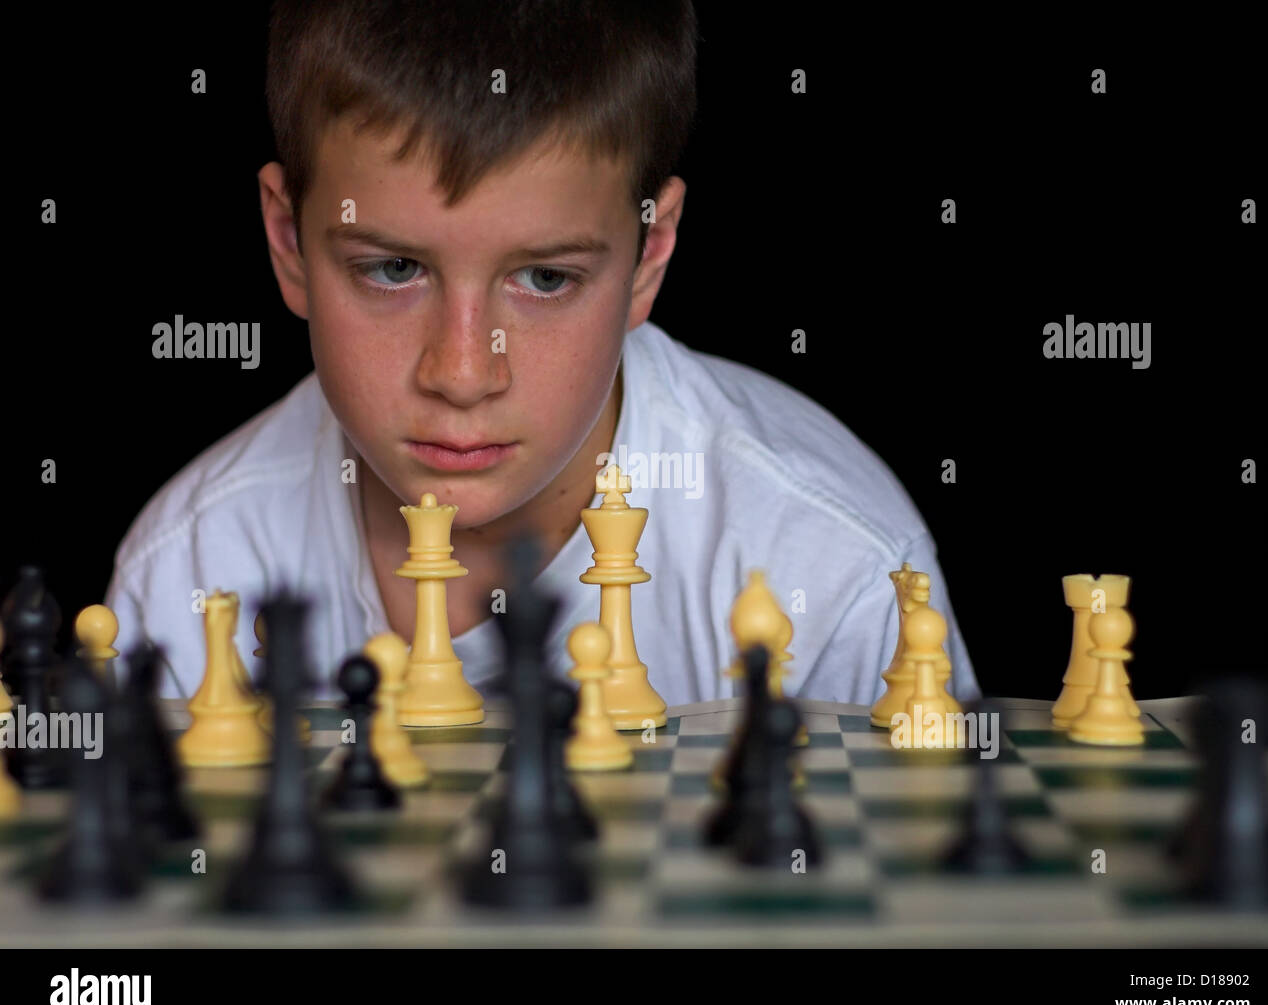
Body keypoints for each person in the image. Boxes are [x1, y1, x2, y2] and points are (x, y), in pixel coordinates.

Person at [106, 0, 977, 706]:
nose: (461, 373)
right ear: (289, 243)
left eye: (547, 281)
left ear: (651, 254)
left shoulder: (834, 570)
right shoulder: (190, 567)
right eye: (394, 268)